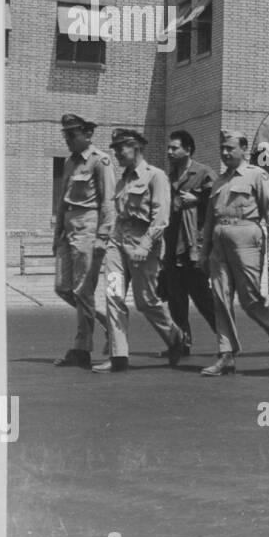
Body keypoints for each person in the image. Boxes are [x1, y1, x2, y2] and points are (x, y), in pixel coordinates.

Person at [198, 130, 269, 376]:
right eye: (223, 148)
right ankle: (226, 354)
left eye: (230, 148)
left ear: (243, 150)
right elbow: (209, 220)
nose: (225, 152)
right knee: (220, 298)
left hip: (247, 239)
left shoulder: (257, 175)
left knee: (250, 300)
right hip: (219, 242)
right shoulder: (218, 181)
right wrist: (203, 251)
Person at [93, 128, 187, 373]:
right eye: (114, 149)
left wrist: (146, 245)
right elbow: (118, 214)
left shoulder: (156, 176)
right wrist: (106, 238)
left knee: (146, 302)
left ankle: (175, 336)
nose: (116, 154)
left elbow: (161, 217)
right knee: (113, 296)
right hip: (117, 244)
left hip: (143, 245)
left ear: (136, 147)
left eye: (120, 148)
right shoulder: (122, 180)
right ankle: (118, 357)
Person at [51, 113, 117, 369]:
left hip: (88, 229)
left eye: (72, 134)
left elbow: (108, 201)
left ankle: (81, 348)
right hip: (68, 229)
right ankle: (110, 325)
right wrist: (57, 234)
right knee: (63, 287)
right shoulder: (70, 163)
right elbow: (62, 202)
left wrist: (103, 235)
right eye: (65, 134)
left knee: (82, 290)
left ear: (87, 134)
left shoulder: (100, 161)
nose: (67, 139)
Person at [160, 129, 217, 355]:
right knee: (176, 299)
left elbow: (218, 201)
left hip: (195, 247)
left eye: (174, 148)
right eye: (169, 148)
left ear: (188, 149)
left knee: (203, 298)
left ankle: (226, 341)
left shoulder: (203, 173)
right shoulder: (169, 176)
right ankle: (182, 343)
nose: (170, 152)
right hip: (173, 246)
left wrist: (198, 199)